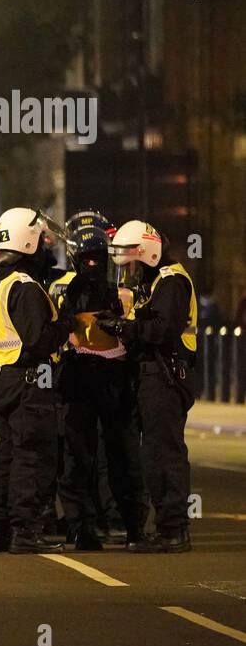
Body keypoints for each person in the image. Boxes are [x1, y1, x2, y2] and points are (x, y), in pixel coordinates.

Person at [48, 217, 148, 551]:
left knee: (121, 456)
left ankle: (130, 525)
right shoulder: (60, 290)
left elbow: (136, 333)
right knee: (78, 458)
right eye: (87, 259)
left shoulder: (122, 292)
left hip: (113, 380)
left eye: (97, 258)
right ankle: (82, 527)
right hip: (78, 379)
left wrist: (120, 325)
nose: (92, 265)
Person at [0, 208, 76, 554]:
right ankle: (25, 532)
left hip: (2, 377)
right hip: (29, 382)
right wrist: (65, 324)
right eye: (41, 239)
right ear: (27, 240)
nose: (45, 245)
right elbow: (39, 340)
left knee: (4, 456)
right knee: (31, 457)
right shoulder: (25, 286)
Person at [100, 220, 198, 553]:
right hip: (153, 374)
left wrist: (123, 328)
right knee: (153, 453)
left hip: (165, 375)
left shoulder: (171, 281)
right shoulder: (157, 281)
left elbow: (162, 331)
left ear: (148, 255)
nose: (130, 272)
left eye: (133, 265)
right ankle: (167, 526)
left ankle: (174, 529)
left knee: (164, 453)